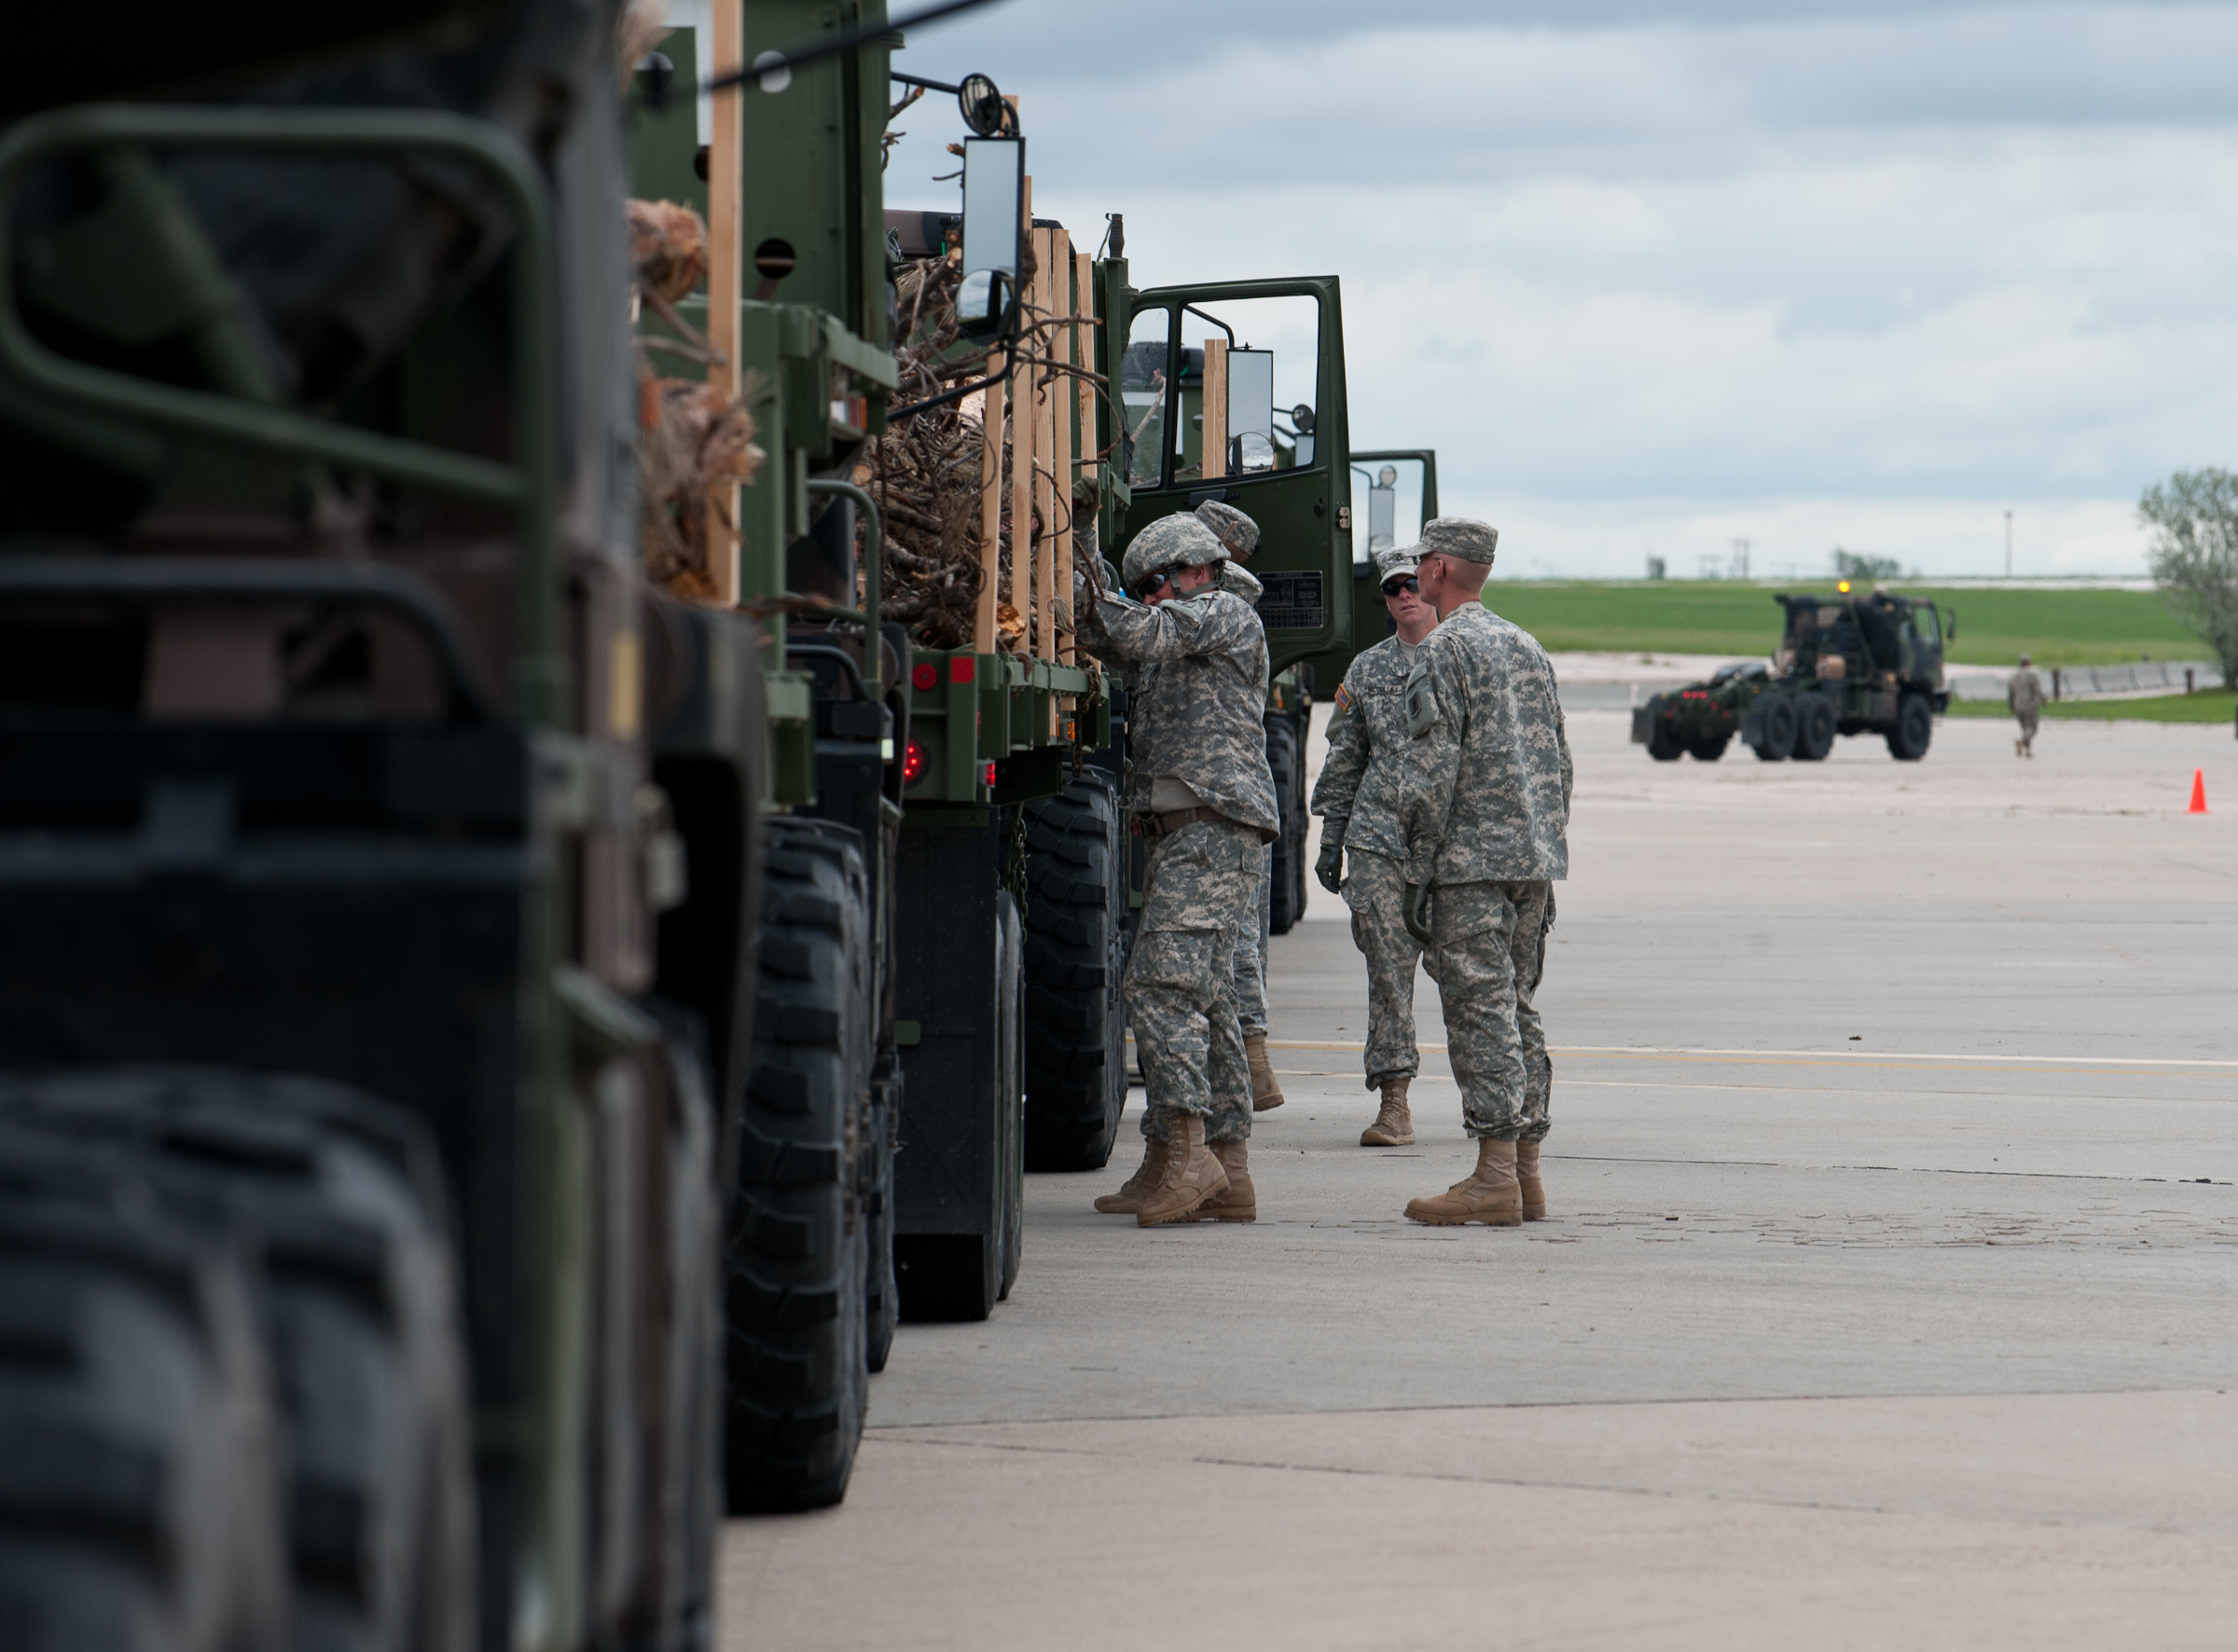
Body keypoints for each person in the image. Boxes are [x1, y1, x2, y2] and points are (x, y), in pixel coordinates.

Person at [1073, 513, 1279, 1226]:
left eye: (1157, 582)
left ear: (1196, 569)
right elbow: (1107, 632)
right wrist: (1076, 546)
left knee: (1160, 987)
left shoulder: (1222, 612)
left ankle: (1191, 1158)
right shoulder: (1176, 630)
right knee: (1208, 999)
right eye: (1141, 588)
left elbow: (1130, 630)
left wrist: (1081, 581)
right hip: (1186, 833)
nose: (1149, 596)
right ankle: (1216, 1166)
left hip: (1211, 828)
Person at [1393, 517, 1571, 1226]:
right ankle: (1526, 1174)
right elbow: (1559, 763)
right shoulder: (1527, 646)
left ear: (1439, 568)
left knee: (1481, 1010)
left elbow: (1429, 771)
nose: (1416, 574)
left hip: (1468, 865)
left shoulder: (1444, 650)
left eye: (1421, 563)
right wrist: (1546, 849)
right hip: (1531, 859)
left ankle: (1495, 1177)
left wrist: (1416, 867)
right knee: (1518, 1006)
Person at [1308, 544, 1440, 1146]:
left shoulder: (1465, 657)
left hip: (1453, 843)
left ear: (1431, 585)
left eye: (1412, 583)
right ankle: (1394, 1102)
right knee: (1387, 971)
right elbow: (1346, 757)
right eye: (1393, 588)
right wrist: (1331, 837)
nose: (1405, 595)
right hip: (1379, 839)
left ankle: (1494, 1103)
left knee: (1469, 973)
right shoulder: (1367, 670)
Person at [1194, 499, 1285, 1114]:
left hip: (1225, 789)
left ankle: (1250, 1064)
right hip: (1241, 786)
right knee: (1241, 932)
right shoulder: (1223, 597)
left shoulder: (1227, 600)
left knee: (1235, 935)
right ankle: (1252, 1064)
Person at [2009, 653, 2042, 758]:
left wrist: (2011, 705)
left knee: (2025, 729)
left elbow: (2011, 692)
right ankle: (2022, 742)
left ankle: (2028, 751)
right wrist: (2043, 699)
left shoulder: (2014, 676)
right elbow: (2037, 689)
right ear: (2029, 662)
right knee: (2033, 728)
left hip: (2018, 705)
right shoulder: (2031, 675)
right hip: (2029, 704)